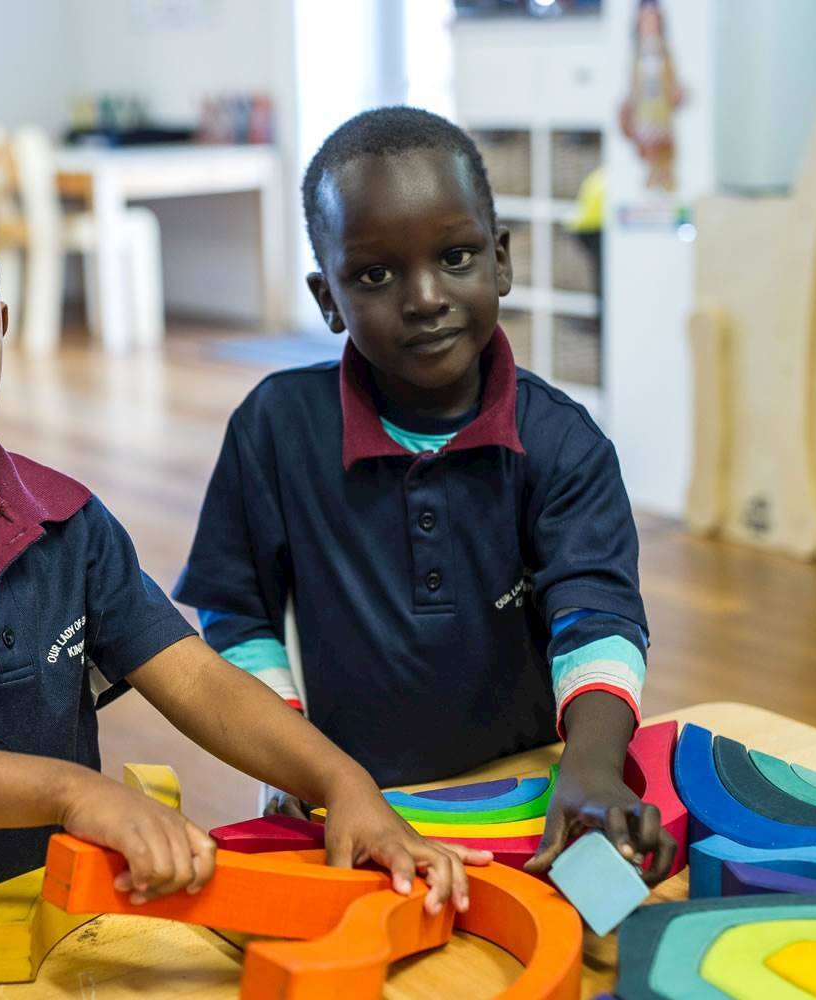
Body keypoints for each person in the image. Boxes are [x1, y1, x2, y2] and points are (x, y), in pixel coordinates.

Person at [0, 168, 487, 951]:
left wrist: (342, 783)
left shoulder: (66, 520)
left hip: (47, 926)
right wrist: (72, 792)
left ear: (2, 322)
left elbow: (198, 680)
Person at [174, 107, 677, 881]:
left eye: (455, 256)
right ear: (328, 298)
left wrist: (593, 768)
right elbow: (237, 613)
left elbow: (598, 617)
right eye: (375, 274)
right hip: (355, 804)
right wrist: (291, 760)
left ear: (500, 261)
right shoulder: (274, 429)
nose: (425, 297)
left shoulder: (565, 444)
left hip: (540, 794)